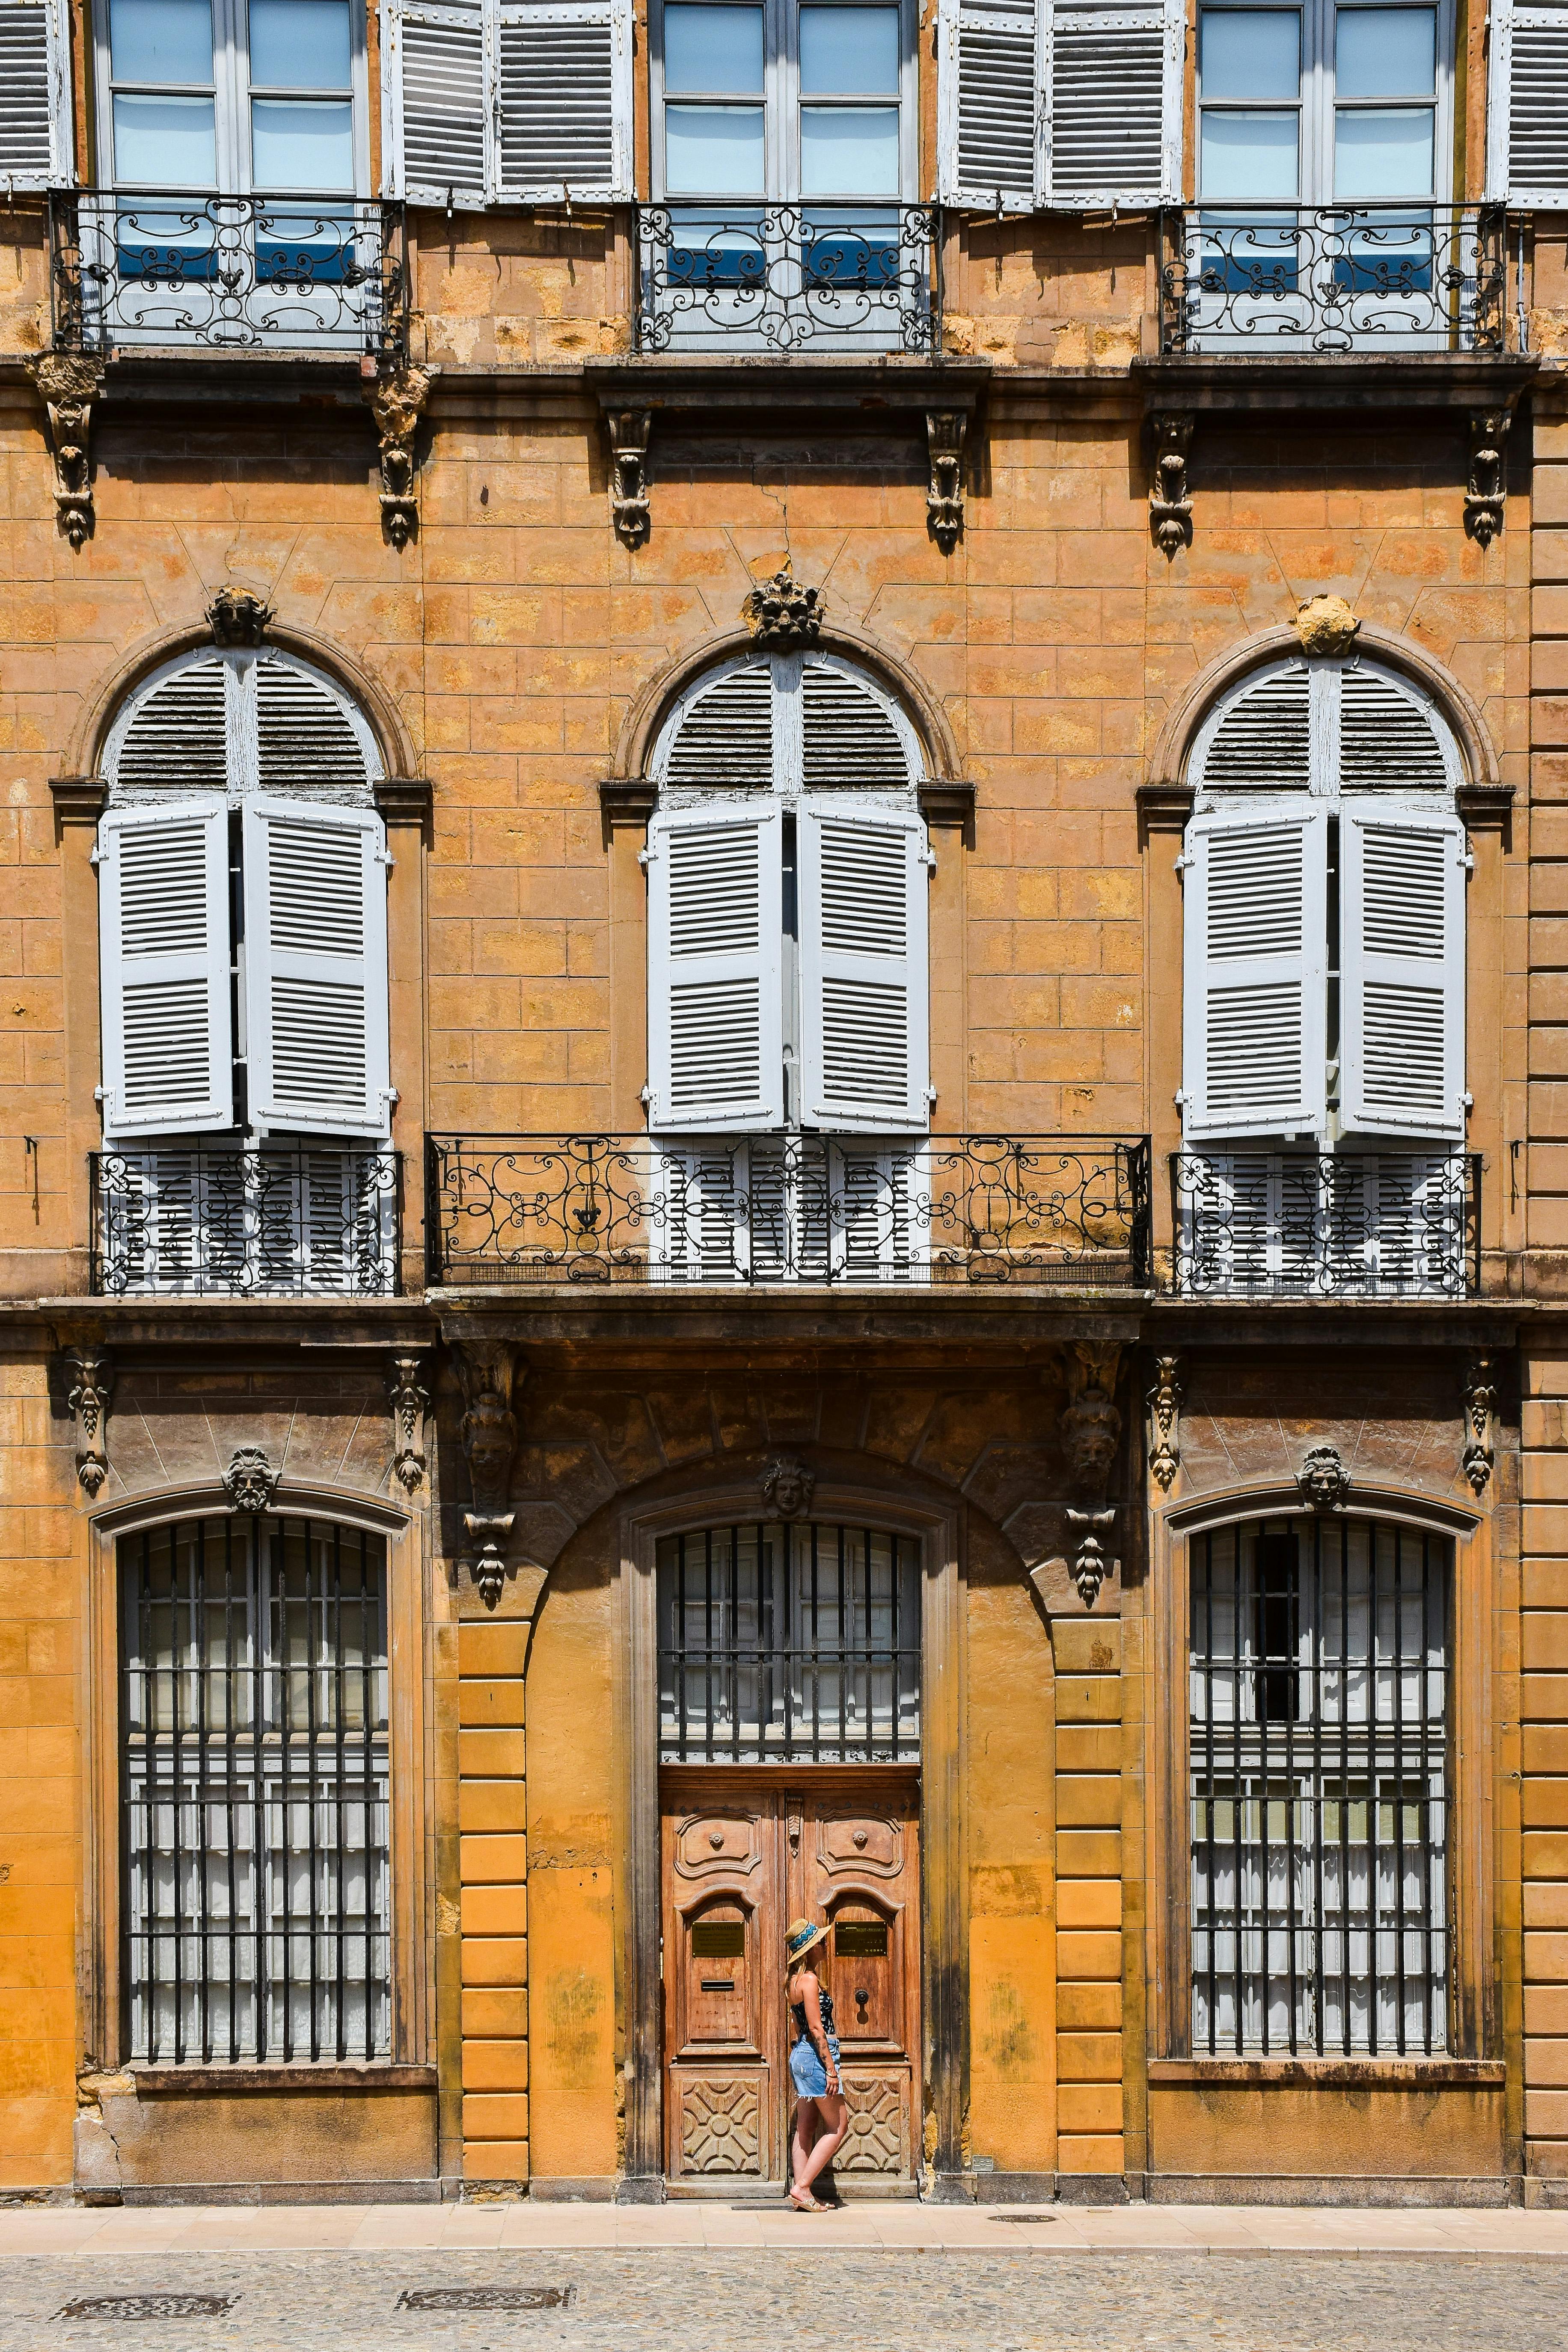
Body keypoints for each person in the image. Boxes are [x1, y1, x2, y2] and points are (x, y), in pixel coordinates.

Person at [784, 1915, 849, 2212]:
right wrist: (831, 2069)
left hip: (801, 2055)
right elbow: (816, 2027)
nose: (825, 1946)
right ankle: (802, 2188)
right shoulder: (809, 1980)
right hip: (816, 2055)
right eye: (821, 1942)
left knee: (806, 2126)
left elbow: (801, 2029)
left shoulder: (792, 1982)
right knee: (838, 2126)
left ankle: (803, 2195)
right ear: (810, 1949)